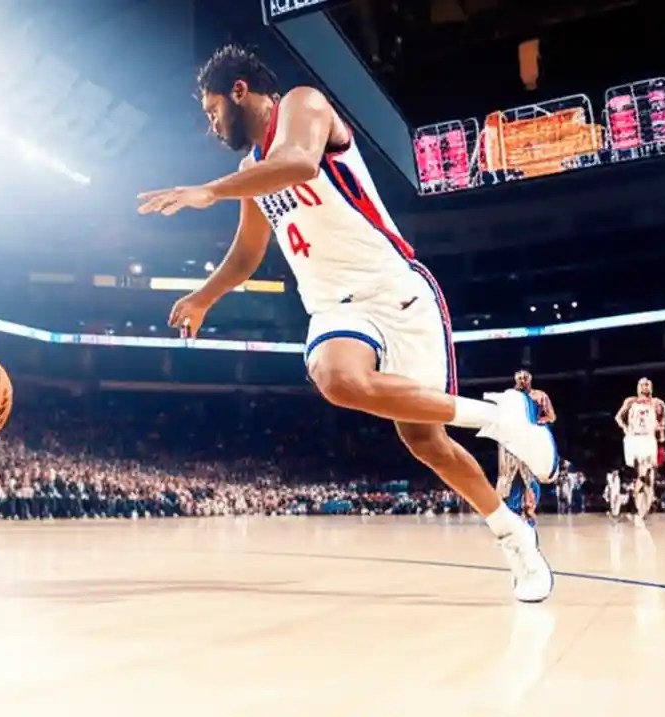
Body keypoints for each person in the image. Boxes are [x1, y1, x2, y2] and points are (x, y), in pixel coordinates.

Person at [136, 45, 558, 602]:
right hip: (334, 307)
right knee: (336, 380)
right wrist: (202, 297)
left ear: (240, 90)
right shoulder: (249, 175)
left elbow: (299, 164)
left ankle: (513, 525)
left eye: (213, 112)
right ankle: (506, 437)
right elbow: (245, 256)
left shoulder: (303, 104)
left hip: (396, 290)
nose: (213, 127)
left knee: (425, 441)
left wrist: (209, 192)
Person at [498, 370, 555, 528]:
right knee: (509, 477)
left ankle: (529, 512)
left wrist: (535, 424)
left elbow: (551, 416)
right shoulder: (509, 397)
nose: (522, 380)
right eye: (519, 378)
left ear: (530, 379)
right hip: (510, 441)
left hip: (530, 441)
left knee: (530, 477)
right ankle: (511, 517)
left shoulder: (539, 396)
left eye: (525, 378)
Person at [615, 378, 665, 527]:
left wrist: (661, 435)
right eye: (642, 385)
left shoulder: (657, 403)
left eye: (647, 384)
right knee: (642, 470)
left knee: (649, 474)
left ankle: (642, 503)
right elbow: (618, 417)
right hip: (634, 438)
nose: (645, 387)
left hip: (649, 439)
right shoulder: (631, 402)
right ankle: (635, 501)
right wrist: (626, 429)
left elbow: (662, 421)